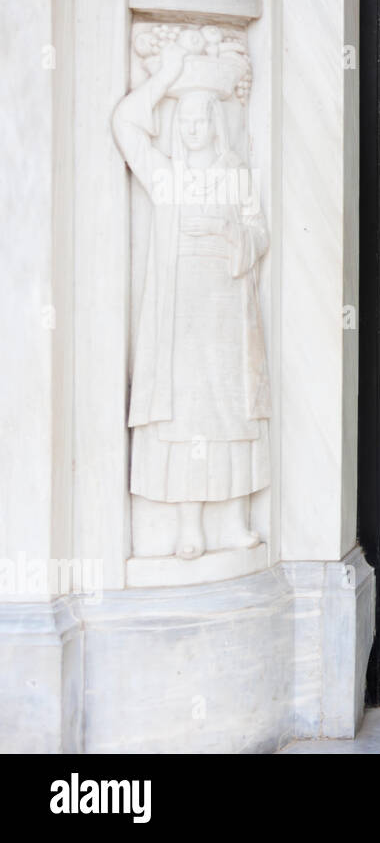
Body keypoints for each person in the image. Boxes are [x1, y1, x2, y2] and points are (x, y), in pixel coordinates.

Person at [112, 32, 269, 559]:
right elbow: (126, 125)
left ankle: (235, 520)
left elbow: (259, 232)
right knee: (186, 416)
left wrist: (237, 239)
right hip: (180, 312)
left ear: (216, 125)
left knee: (230, 411)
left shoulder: (236, 175)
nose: (195, 127)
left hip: (226, 308)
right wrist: (162, 78)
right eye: (187, 120)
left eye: (203, 119)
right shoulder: (167, 176)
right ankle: (188, 527)